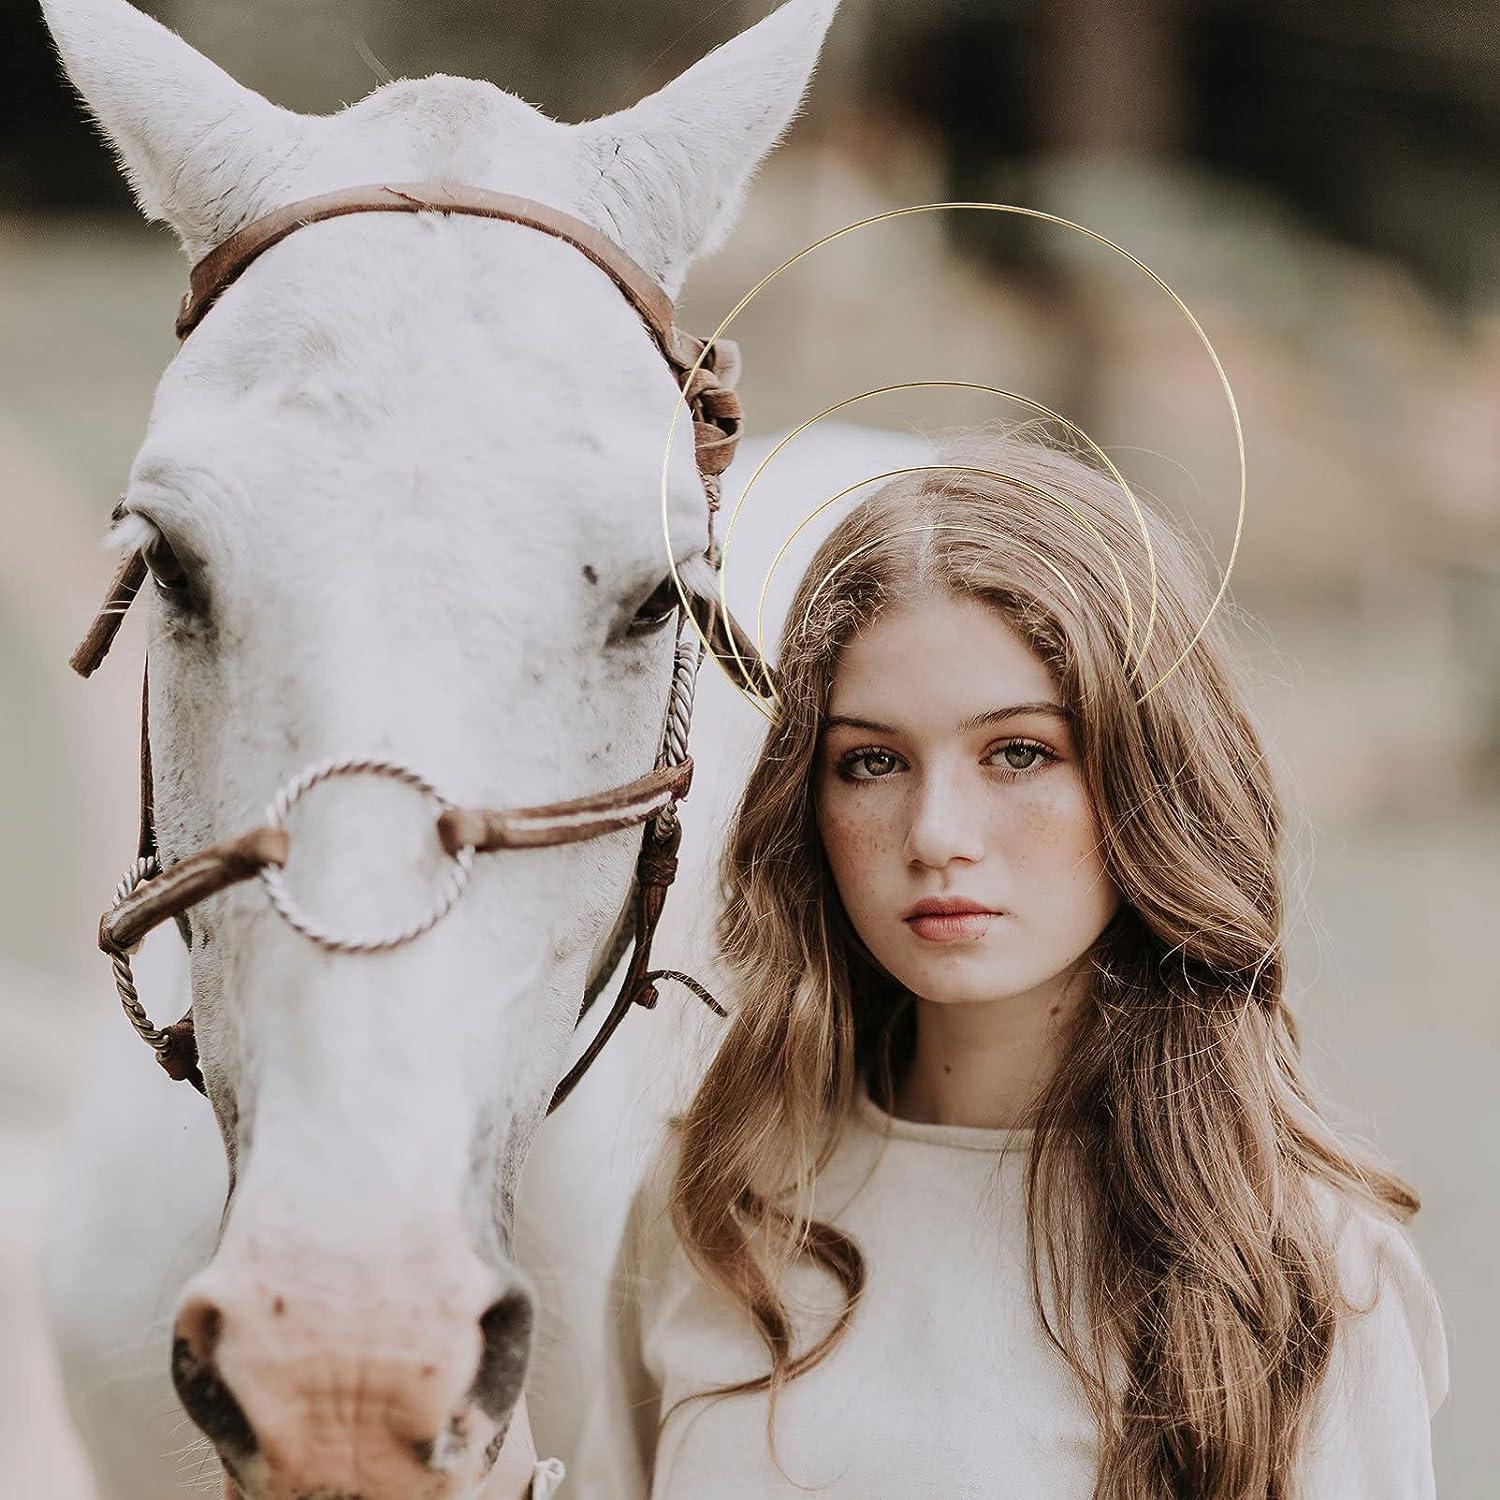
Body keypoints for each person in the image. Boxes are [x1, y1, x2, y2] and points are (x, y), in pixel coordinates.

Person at [536, 425, 1449, 1498]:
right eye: (870, 761)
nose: (936, 832)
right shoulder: (720, 1201)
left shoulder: (1299, 1274)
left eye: (1018, 752)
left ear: (1143, 774)